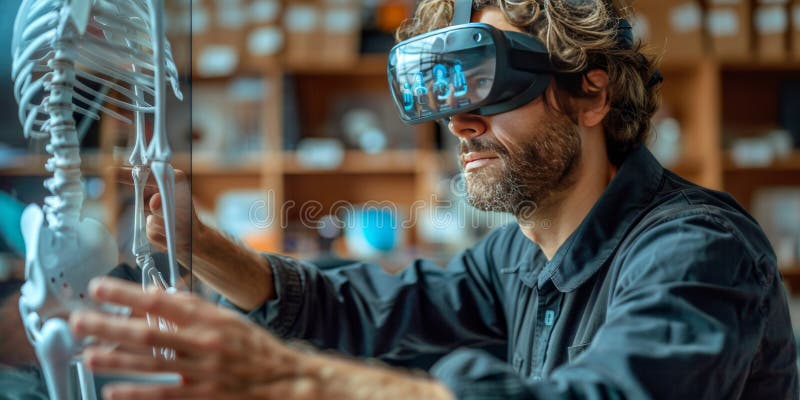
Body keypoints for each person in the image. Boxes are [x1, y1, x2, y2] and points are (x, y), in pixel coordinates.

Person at [70, 1, 799, 399]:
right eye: (446, 95)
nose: (459, 122)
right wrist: (201, 246)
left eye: (490, 82)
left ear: (591, 91)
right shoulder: (517, 253)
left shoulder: (699, 249)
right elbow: (368, 314)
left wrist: (300, 380)